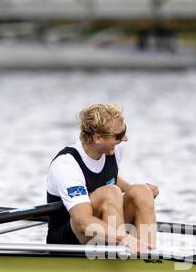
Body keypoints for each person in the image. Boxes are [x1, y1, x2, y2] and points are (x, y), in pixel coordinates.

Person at [44, 103, 159, 253]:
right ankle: (119, 256)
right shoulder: (67, 164)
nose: (124, 138)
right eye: (118, 135)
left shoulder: (113, 151)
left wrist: (142, 194)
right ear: (97, 138)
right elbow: (83, 222)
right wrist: (124, 238)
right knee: (110, 193)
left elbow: (108, 177)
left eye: (124, 131)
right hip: (68, 239)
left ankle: (149, 256)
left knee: (141, 191)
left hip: (103, 234)